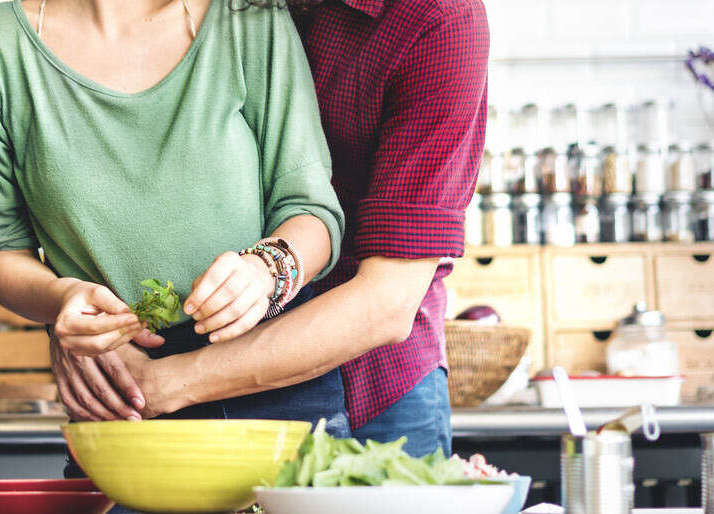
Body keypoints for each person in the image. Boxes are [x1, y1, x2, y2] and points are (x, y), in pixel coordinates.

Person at [63, 0, 490, 457]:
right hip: (162, 355)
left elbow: (385, 304)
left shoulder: (436, 18)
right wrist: (72, 319)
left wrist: (154, 386)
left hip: (373, 382)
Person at [0, 0, 350, 439]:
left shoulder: (247, 16)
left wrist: (264, 271)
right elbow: (3, 250)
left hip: (273, 376)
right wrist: (63, 297)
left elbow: (312, 212)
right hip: (120, 391)